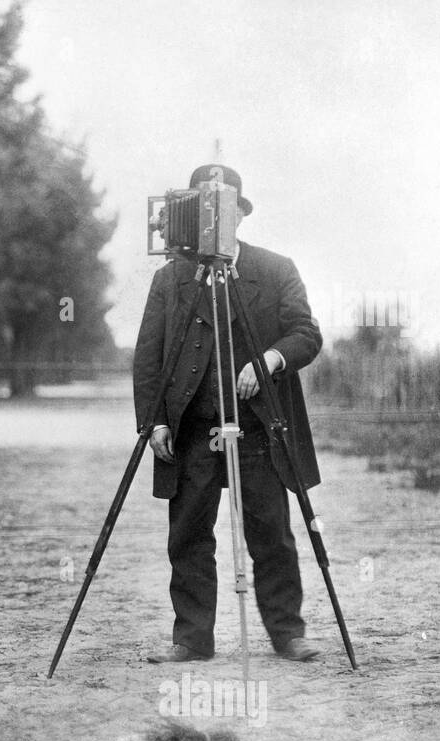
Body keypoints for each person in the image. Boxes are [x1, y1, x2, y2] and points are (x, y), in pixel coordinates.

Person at [132, 164, 324, 664]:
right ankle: (192, 639)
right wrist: (153, 422)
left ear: (240, 213)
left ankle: (288, 633)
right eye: (202, 208)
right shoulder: (171, 278)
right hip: (191, 428)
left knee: (271, 532)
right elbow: (148, 357)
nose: (216, 218)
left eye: (224, 207)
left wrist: (269, 362)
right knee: (188, 535)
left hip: (260, 426)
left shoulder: (276, 268)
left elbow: (305, 334)